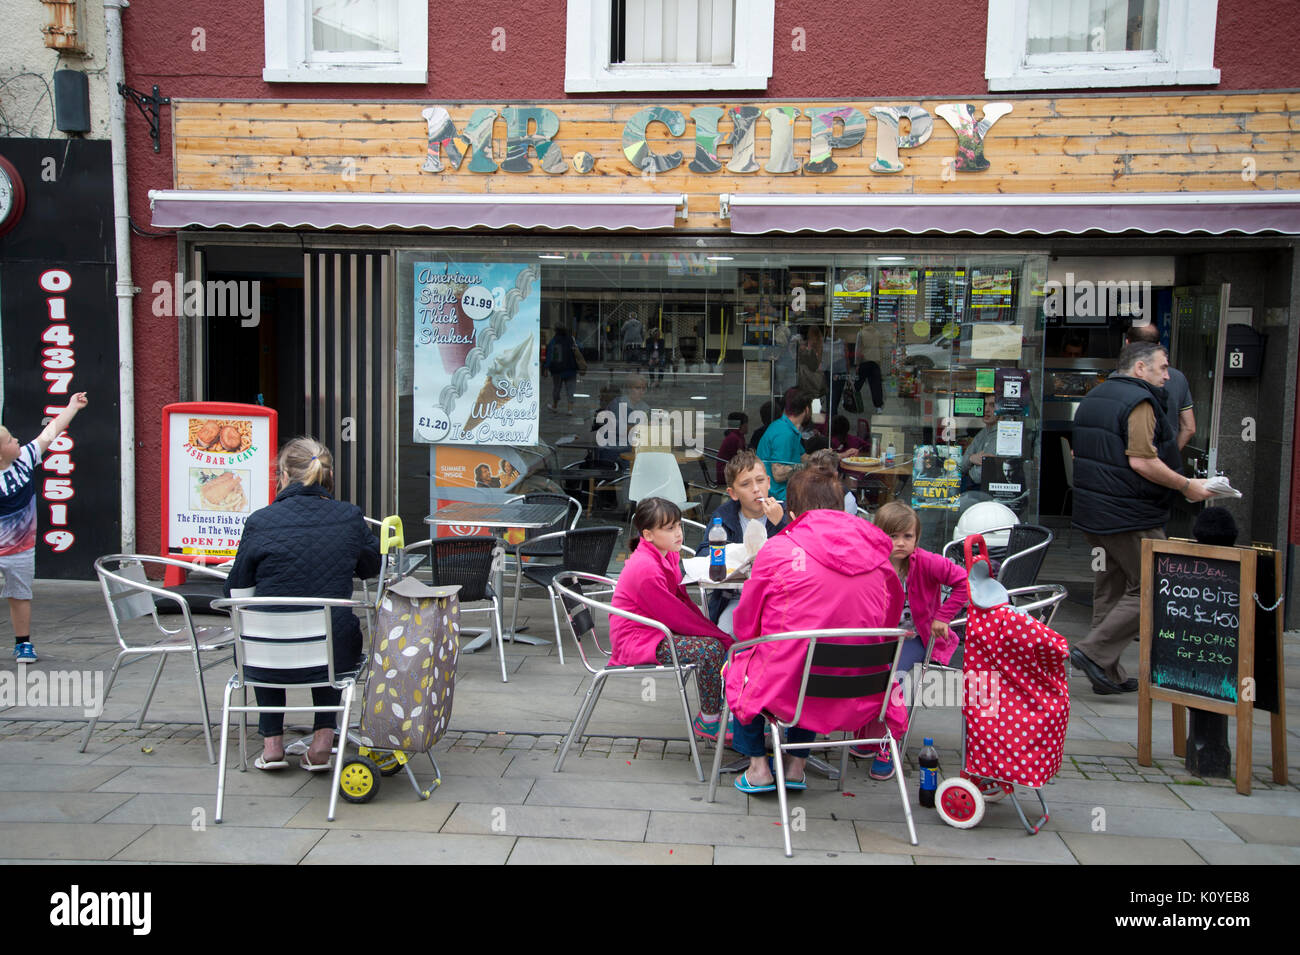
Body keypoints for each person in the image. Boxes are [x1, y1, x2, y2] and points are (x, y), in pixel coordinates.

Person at [724, 466, 905, 793]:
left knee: (740, 660)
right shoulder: (879, 557)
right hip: (861, 686)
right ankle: (796, 766)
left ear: (792, 512)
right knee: (808, 656)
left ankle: (758, 768)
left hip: (792, 683)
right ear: (840, 506)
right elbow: (890, 620)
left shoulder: (778, 550)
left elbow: (746, 625)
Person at [223, 437, 380, 771]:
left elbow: (236, 592)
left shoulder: (259, 521)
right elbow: (372, 568)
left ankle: (272, 746)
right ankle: (322, 742)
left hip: (266, 653)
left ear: (283, 474)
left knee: (258, 631)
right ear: (328, 474)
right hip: (331, 651)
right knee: (334, 628)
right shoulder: (349, 516)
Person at [1070, 341, 1213, 694]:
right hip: (1129, 515)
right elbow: (1142, 460)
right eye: (1162, 367)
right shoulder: (1139, 401)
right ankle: (1092, 653)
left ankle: (1106, 673)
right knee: (1157, 586)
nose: (1168, 375)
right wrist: (1186, 486)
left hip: (1094, 513)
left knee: (1111, 589)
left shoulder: (1094, 397)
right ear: (1140, 369)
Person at [856, 502, 970, 778]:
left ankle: (889, 742)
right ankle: (868, 731)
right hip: (879, 637)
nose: (900, 543)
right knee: (860, 673)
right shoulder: (871, 563)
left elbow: (963, 581)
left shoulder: (926, 562)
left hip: (914, 636)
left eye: (907, 536)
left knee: (897, 682)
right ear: (878, 535)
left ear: (917, 538)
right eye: (893, 536)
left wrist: (943, 616)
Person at [610, 497, 733, 740]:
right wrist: (717, 635)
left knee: (716, 642)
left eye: (678, 525)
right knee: (710, 649)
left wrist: (713, 631)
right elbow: (675, 615)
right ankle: (709, 720)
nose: (678, 533)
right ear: (648, 534)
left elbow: (682, 602)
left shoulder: (667, 555)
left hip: (656, 629)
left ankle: (723, 713)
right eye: (669, 528)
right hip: (638, 640)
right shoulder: (646, 568)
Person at [1, 393, 88, 663]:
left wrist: (72, 407)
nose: (17, 440)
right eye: (10, 439)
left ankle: (23, 643)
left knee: (21, 594)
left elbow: (51, 432)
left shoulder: (25, 459)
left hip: (21, 550)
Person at [695, 450, 788, 628]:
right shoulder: (724, 516)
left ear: (768, 483)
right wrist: (732, 554)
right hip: (736, 597)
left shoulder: (785, 512)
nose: (755, 489)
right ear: (733, 493)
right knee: (727, 629)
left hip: (779, 598)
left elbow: (801, 552)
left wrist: (780, 523)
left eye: (760, 480)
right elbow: (703, 553)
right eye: (746, 484)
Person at [1126, 321, 1195, 449]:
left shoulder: (1117, 379)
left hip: (1127, 461)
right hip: (1161, 460)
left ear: (1127, 344)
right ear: (1158, 345)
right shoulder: (1178, 378)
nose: (1165, 377)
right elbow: (1189, 427)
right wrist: (1170, 457)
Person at [755, 389, 810, 502]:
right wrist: (808, 468)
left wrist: (834, 456)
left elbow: (805, 458)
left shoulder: (785, 428)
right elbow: (778, 474)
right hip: (778, 499)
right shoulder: (784, 433)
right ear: (807, 409)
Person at [961, 403, 1000, 488]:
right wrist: (971, 459)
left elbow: (980, 475)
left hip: (982, 488)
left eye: (992, 405)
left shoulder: (1003, 434)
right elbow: (962, 464)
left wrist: (969, 462)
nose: (986, 410)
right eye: (983, 404)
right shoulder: (983, 433)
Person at [854, 321, 890, 413]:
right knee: (876, 386)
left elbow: (858, 350)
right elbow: (881, 348)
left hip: (864, 362)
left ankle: (852, 400)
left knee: (858, 383)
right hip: (875, 362)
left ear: (863, 324)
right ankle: (878, 407)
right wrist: (880, 361)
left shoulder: (861, 333)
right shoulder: (878, 333)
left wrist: (857, 364)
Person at [545, 324, 580, 413]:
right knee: (571, 389)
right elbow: (578, 350)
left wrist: (546, 367)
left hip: (557, 370)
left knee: (557, 388)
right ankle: (570, 409)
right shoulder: (571, 339)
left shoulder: (554, 341)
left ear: (556, 331)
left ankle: (555, 406)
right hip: (571, 369)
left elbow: (550, 355)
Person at [796, 324, 826, 407]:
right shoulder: (822, 345)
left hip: (807, 381)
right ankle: (815, 417)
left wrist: (804, 351)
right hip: (817, 382)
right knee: (815, 408)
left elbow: (809, 364)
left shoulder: (807, 347)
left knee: (806, 406)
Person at [716, 412, 748, 484]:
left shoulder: (737, 436)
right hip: (727, 474)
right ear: (742, 425)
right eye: (746, 423)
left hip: (729, 470)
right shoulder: (735, 438)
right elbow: (739, 459)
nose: (748, 426)